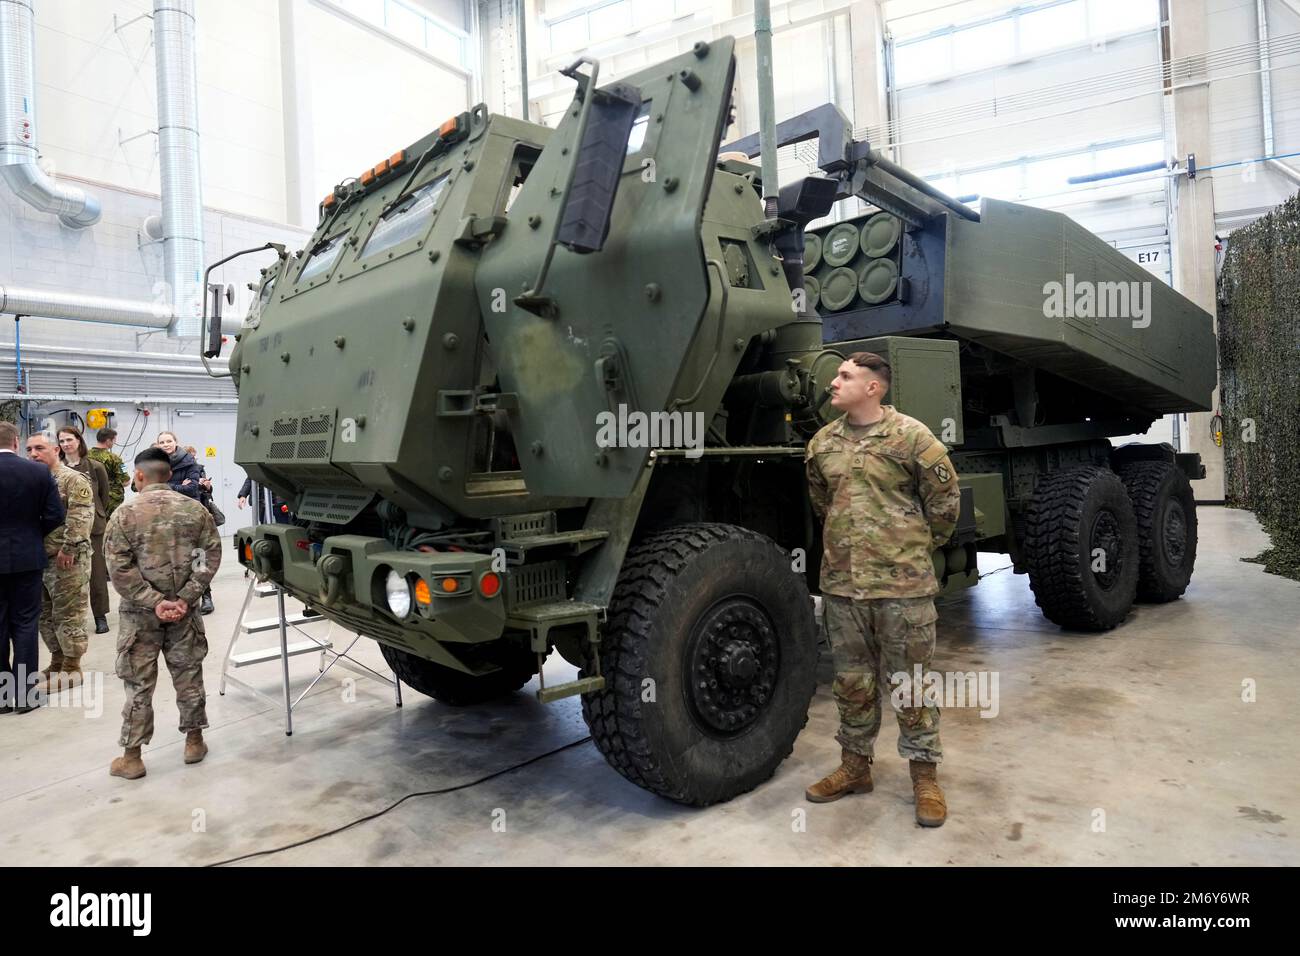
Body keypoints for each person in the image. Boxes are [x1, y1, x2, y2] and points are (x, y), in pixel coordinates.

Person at [804, 352, 962, 827]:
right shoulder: (820, 444)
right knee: (851, 684)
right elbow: (823, 505)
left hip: (903, 590)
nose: (834, 381)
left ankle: (924, 777)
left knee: (911, 687)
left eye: (846, 376)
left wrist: (908, 550)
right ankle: (855, 768)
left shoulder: (913, 437)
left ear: (874, 387)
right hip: (843, 588)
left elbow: (945, 506)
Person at [104, 448, 222, 779]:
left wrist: (153, 600)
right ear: (169, 475)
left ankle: (132, 757)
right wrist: (185, 597)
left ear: (139, 476)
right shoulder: (195, 511)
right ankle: (194, 742)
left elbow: (119, 567)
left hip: (140, 616)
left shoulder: (124, 515)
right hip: (185, 613)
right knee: (188, 675)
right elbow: (207, 556)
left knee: (138, 683)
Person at [0, 422, 65, 714]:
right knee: (26, 623)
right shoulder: (38, 472)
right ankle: (25, 695)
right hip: (28, 556)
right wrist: (31, 534)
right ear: (15, 442)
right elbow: (55, 515)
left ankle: (2, 698)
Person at [25, 431, 94, 692]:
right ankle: (57, 662)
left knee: (68, 613)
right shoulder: (33, 480)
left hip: (67, 559)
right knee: (46, 615)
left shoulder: (72, 479)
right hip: (40, 558)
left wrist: (69, 548)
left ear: (56, 450)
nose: (33, 454)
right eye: (30, 449)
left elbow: (80, 517)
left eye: (40, 448)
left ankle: (72, 667)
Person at [58, 426, 113, 634]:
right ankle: (71, 620)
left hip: (94, 528)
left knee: (97, 574)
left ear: (79, 440)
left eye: (69, 440)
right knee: (68, 576)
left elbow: (104, 496)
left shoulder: (95, 466)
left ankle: (100, 616)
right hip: (65, 528)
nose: (65, 444)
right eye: (61, 441)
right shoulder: (57, 468)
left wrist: (95, 515)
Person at [155, 432, 215, 615]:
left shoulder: (190, 463)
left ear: (176, 442)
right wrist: (178, 485)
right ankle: (179, 597)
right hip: (165, 515)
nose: (166, 444)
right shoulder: (156, 464)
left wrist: (167, 487)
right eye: (162, 442)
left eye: (169, 441)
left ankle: (206, 596)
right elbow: (149, 487)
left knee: (197, 556)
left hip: (189, 515)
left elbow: (191, 489)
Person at [87, 427, 128, 517]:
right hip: (110, 501)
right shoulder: (115, 459)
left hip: (89, 497)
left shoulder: (84, 456)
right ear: (108, 441)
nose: (114, 443)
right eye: (114, 440)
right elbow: (126, 481)